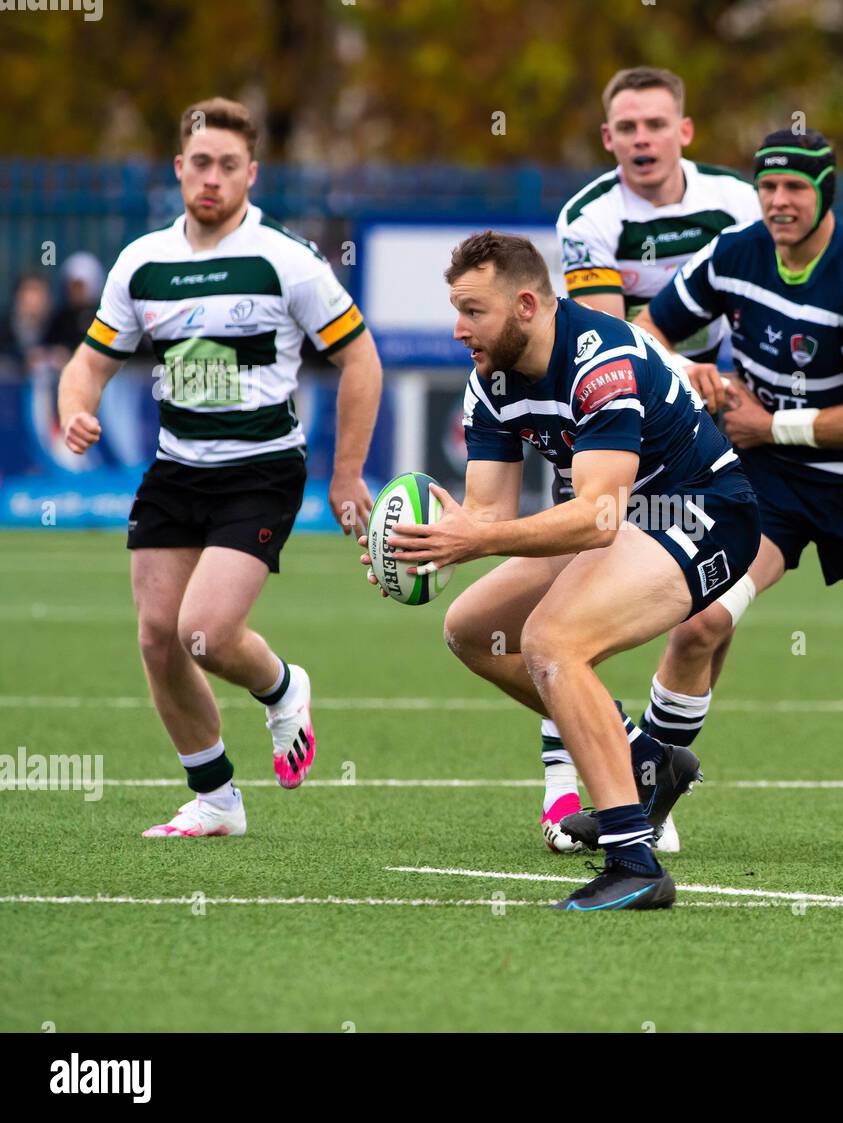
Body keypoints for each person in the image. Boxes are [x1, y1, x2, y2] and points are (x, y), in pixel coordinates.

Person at [575, 128, 843, 858]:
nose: (779, 202)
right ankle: (644, 788)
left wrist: (772, 423)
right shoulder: (737, 251)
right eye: (768, 188)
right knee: (697, 623)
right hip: (767, 481)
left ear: (826, 192)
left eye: (795, 188)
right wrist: (682, 368)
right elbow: (642, 328)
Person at [362, 230, 760, 909]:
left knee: (552, 640)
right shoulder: (490, 380)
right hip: (626, 519)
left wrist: (474, 541)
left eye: (472, 310)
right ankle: (642, 756)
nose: (458, 329)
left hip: (701, 511)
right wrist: (434, 540)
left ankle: (635, 861)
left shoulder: (596, 356)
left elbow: (599, 515)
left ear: (524, 304)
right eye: (455, 309)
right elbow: (490, 512)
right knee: (470, 627)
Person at [57, 97, 383, 839]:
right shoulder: (142, 263)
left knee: (203, 632)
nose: (211, 177)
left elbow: (361, 358)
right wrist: (76, 406)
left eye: (228, 166)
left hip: (262, 471)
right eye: (199, 163)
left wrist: (346, 475)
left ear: (251, 174)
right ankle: (215, 798)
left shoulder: (287, 259)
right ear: (179, 168)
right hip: (177, 470)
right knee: (157, 638)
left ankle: (281, 686)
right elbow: (87, 362)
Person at [540, 65, 761, 853]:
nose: (642, 139)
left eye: (655, 125)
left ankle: (650, 787)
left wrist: (742, 386)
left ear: (684, 132)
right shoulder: (588, 216)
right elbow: (609, 339)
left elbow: (760, 298)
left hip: (717, 431)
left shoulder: (737, 202)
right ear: (608, 140)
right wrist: (680, 365)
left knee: (703, 621)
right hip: (619, 421)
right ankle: (562, 783)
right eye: (627, 128)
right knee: (565, 603)